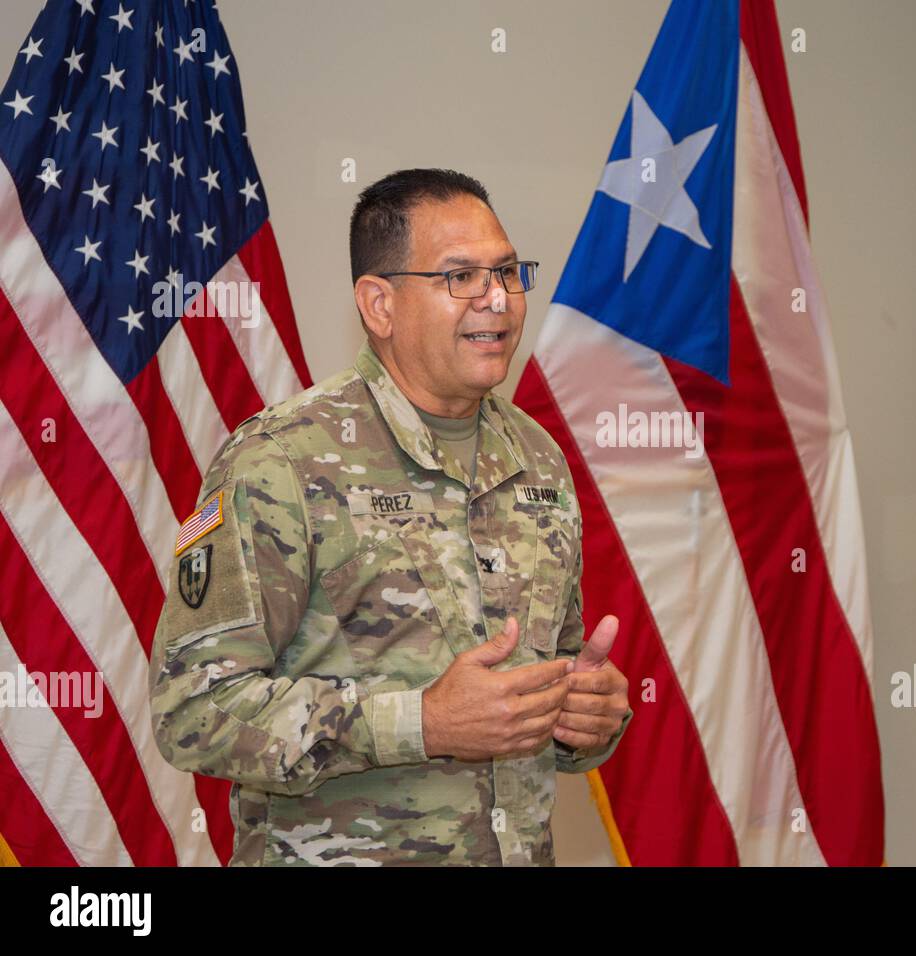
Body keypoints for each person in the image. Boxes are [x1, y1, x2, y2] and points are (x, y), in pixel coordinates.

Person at [149, 168, 632, 866]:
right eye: (461, 277)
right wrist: (422, 722)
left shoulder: (538, 458)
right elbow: (191, 710)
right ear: (380, 305)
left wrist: (580, 713)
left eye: (507, 271)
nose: (497, 298)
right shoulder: (281, 459)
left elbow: (542, 681)